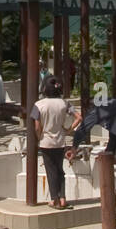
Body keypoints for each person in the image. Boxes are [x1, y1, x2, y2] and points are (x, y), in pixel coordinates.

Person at [31, 75, 80, 209]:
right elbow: (78, 117)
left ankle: (55, 200)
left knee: (51, 171)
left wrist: (39, 136)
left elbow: (36, 126)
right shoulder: (64, 103)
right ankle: (63, 198)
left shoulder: (38, 105)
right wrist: (68, 130)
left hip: (46, 141)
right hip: (60, 141)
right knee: (60, 170)